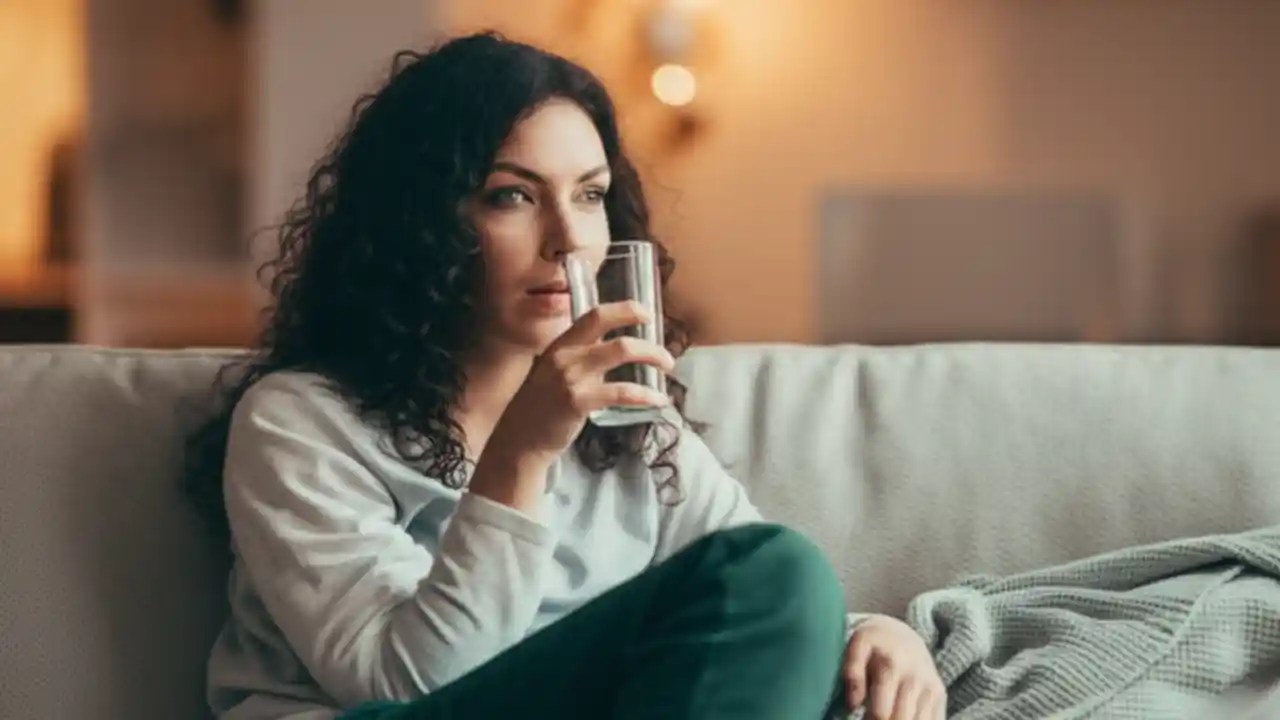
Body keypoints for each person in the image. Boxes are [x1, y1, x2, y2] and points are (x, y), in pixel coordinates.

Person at [186, 32, 944, 720]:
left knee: (785, 569)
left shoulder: (627, 415)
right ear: (419, 223)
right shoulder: (298, 422)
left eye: (589, 194)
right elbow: (408, 682)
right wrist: (523, 451)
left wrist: (875, 635)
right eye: (511, 196)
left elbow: (750, 590)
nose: (569, 239)